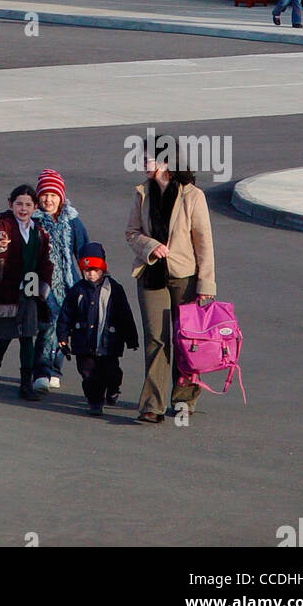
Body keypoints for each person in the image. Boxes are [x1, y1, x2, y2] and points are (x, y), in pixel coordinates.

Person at [126, 138, 217, 424]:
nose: (143, 162)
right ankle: (152, 404)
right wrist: (149, 245)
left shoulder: (193, 196)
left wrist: (206, 286)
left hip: (184, 277)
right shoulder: (142, 193)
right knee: (156, 339)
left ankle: (183, 400)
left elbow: (204, 243)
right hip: (151, 273)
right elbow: (131, 232)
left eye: (148, 158)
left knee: (186, 340)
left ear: (166, 161)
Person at [0, 184, 53, 401]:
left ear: (35, 207)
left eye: (28, 204)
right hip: (7, 290)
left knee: (27, 337)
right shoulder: (4, 224)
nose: (23, 208)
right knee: (5, 336)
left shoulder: (39, 232)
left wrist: (44, 286)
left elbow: (45, 261)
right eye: (19, 204)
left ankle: (26, 385)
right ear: (11, 204)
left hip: (29, 290)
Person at [56, 242, 139, 416]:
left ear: (103, 268)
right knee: (88, 374)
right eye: (87, 270)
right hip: (83, 343)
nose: (91, 274)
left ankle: (114, 388)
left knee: (111, 372)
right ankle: (94, 401)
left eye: (95, 270)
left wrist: (131, 338)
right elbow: (65, 315)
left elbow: (125, 315)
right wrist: (62, 337)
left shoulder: (114, 289)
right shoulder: (76, 291)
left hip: (109, 343)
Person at [31, 169, 90, 393]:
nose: (49, 199)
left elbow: (83, 249)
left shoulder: (72, 221)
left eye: (53, 195)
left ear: (61, 197)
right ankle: (42, 371)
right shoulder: (34, 221)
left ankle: (55, 369)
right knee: (48, 325)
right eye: (44, 194)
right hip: (42, 284)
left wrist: (89, 275)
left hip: (68, 284)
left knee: (63, 327)